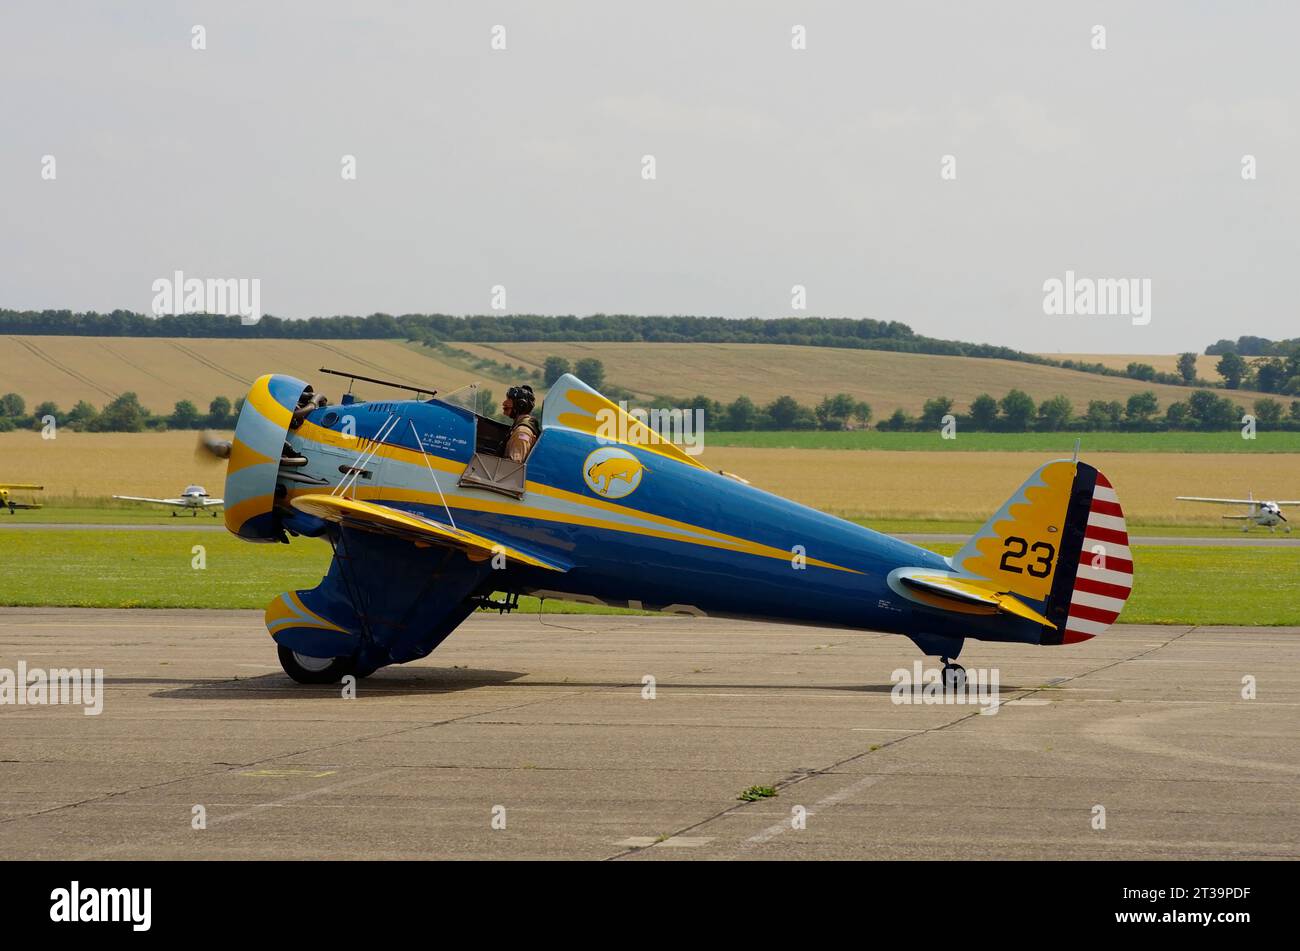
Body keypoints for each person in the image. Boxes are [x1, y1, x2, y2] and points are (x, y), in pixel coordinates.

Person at [502, 384, 540, 462]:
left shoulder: (522, 432)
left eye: (509, 400)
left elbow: (513, 465)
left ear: (520, 405)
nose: (504, 403)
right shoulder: (519, 426)